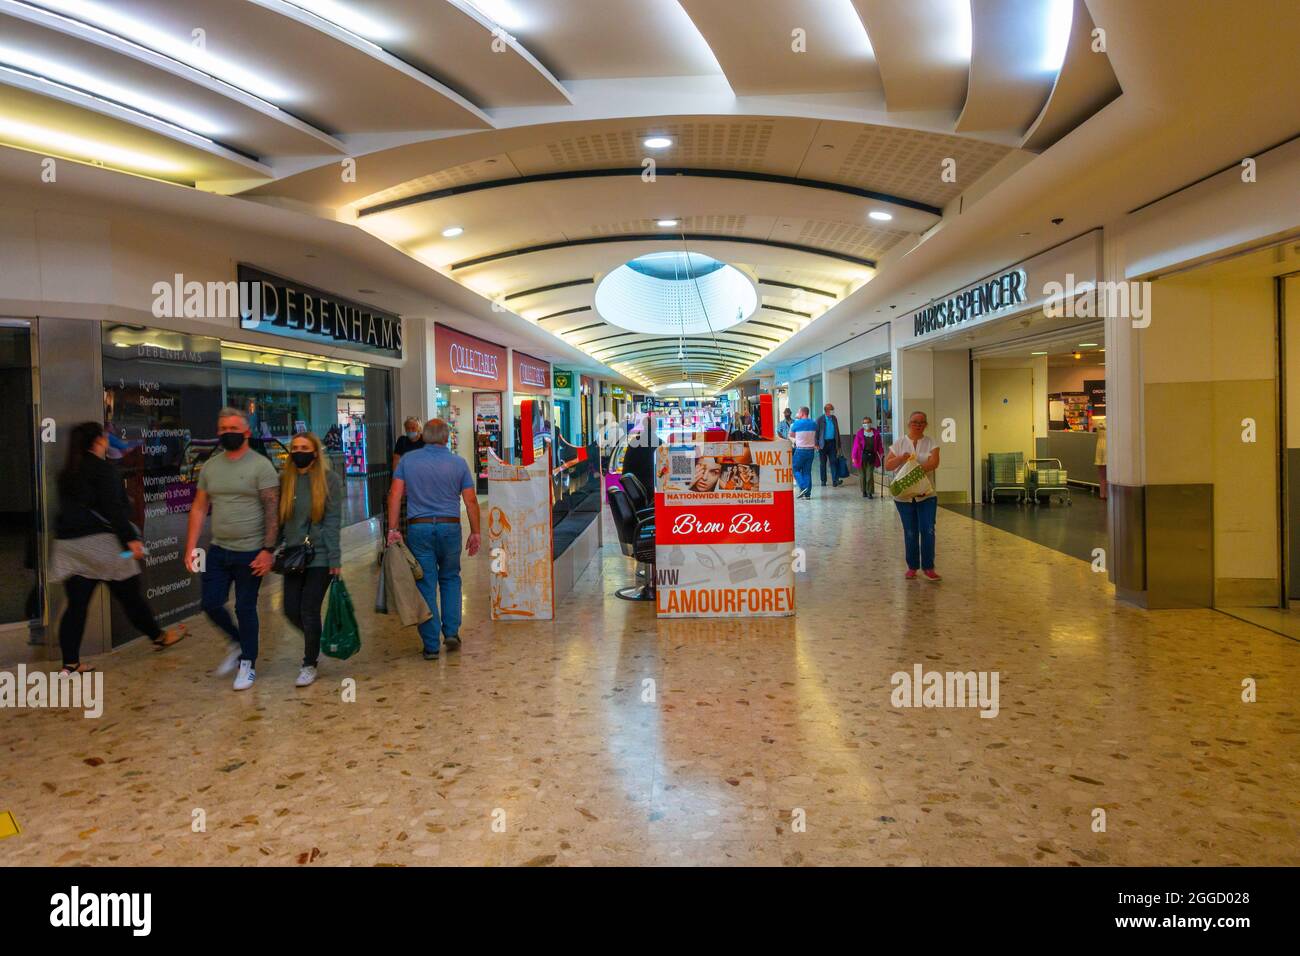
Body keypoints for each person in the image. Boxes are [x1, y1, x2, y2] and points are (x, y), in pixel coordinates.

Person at [49, 422, 185, 674]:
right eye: (106, 436)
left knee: (76, 605)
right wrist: (130, 541)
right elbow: (114, 510)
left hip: (69, 548)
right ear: (99, 441)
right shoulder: (104, 470)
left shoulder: (68, 472)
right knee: (130, 596)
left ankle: (70, 663)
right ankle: (158, 636)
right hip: (103, 546)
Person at [184, 408, 279, 690]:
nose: (227, 433)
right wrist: (190, 545)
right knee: (210, 603)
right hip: (219, 548)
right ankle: (237, 642)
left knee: (245, 606)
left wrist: (268, 550)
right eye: (223, 429)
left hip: (251, 550)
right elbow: (200, 507)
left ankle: (248, 663)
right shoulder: (212, 466)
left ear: (246, 432)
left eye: (233, 429)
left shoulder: (261, 466)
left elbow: (272, 511)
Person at [386, 418, 482, 660]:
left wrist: (393, 528)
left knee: (425, 583)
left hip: (419, 529)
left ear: (423, 435)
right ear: (447, 437)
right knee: (450, 578)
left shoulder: (408, 461)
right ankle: (451, 632)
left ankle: (430, 645)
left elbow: (395, 495)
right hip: (450, 528)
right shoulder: (458, 463)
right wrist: (476, 532)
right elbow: (470, 501)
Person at [278, 432, 342, 687]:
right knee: (290, 609)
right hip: (294, 555)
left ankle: (309, 662)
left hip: (321, 555)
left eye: (304, 447)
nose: (299, 452)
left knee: (309, 609)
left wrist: (335, 559)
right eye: (295, 448)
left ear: (315, 453)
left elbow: (333, 521)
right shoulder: (285, 480)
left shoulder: (330, 480)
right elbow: (281, 521)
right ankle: (317, 640)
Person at [884, 411, 941, 581]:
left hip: (927, 495)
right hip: (904, 497)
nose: (918, 425)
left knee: (928, 529)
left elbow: (934, 463)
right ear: (909, 424)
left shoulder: (931, 442)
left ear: (926, 425)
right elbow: (888, 465)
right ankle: (912, 567)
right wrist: (902, 458)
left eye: (922, 422)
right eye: (915, 422)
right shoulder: (900, 443)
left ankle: (929, 567)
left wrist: (914, 468)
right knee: (910, 531)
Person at [852, 415, 885, 499]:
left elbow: (879, 445)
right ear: (862, 424)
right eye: (864, 423)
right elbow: (855, 446)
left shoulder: (876, 433)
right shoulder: (859, 433)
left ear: (871, 423)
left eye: (868, 422)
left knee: (869, 475)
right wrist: (854, 457)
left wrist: (881, 453)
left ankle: (870, 492)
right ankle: (864, 491)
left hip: (871, 456)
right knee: (862, 475)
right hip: (861, 457)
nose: (866, 424)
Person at [789, 407, 817, 500]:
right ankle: (807, 494)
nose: (797, 413)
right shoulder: (813, 423)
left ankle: (803, 486)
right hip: (811, 451)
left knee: (794, 468)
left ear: (802, 413)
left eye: (798, 412)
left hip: (800, 450)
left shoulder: (796, 423)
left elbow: (791, 435)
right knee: (807, 472)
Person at [815, 403, 843, 487]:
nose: (832, 411)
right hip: (822, 444)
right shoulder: (820, 419)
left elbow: (837, 431)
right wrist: (816, 443)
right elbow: (816, 432)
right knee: (823, 463)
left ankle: (835, 480)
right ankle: (823, 480)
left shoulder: (834, 418)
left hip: (832, 443)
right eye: (831, 410)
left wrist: (839, 444)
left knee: (833, 461)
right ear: (826, 411)